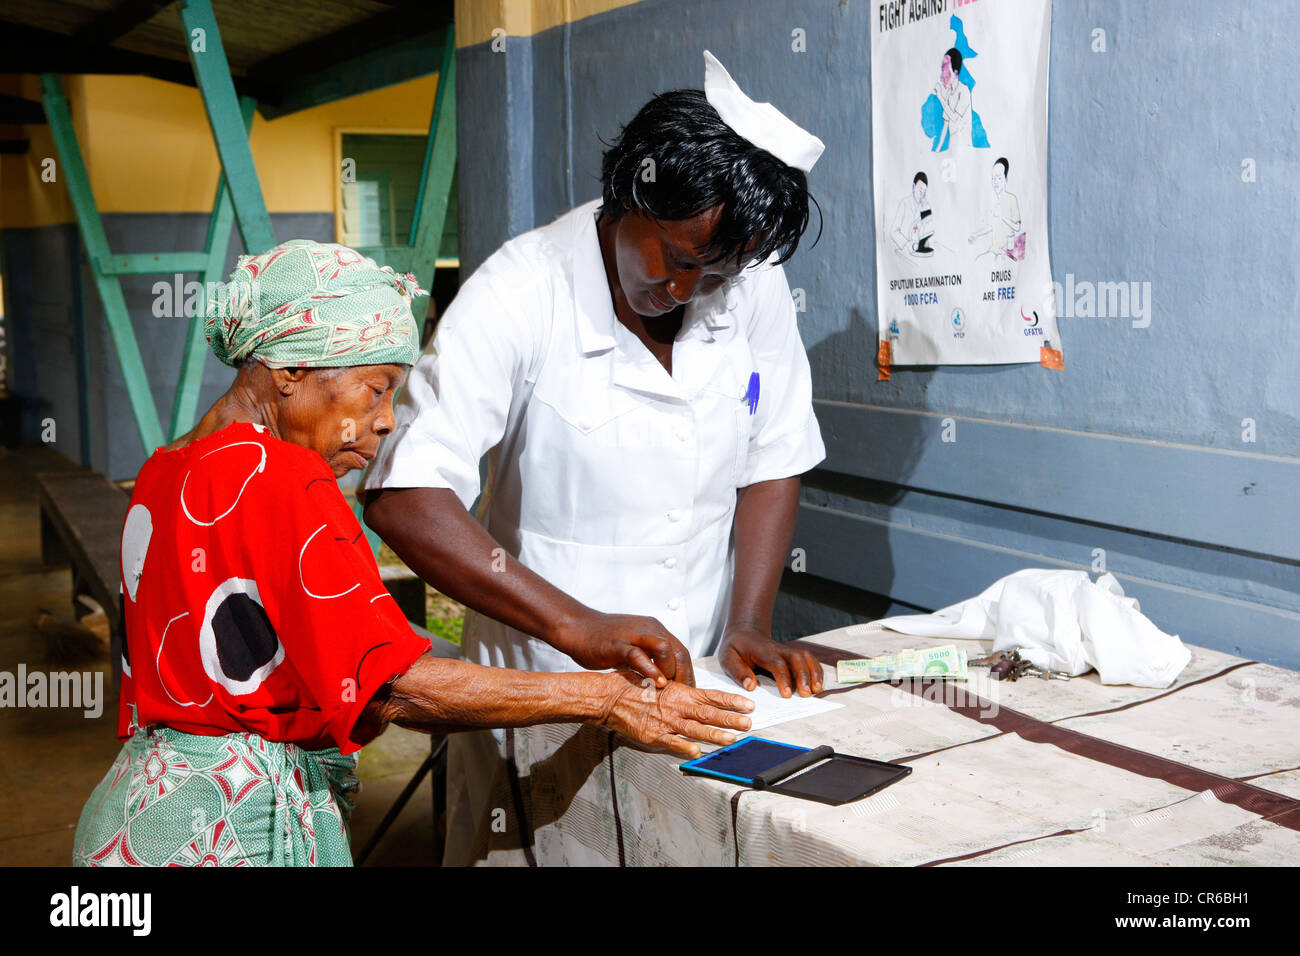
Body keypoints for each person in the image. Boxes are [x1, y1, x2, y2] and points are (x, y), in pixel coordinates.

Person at [72, 239, 753, 867]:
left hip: (139, 816)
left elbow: (264, 642)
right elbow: (394, 688)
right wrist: (605, 699)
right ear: (292, 369)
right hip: (233, 828)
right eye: (376, 385)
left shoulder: (165, 470)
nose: (388, 417)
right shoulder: (285, 475)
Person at [362, 50, 828, 865]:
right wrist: (574, 625)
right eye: (679, 260)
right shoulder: (521, 290)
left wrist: (749, 619)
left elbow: (775, 452)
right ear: (630, 195)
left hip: (694, 690)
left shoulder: (744, 290)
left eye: (719, 272)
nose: (691, 290)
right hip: (545, 684)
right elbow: (406, 493)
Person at [968, 157, 1023, 259]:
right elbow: (990, 226)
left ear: (1005, 180)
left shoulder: (1011, 199)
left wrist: (1003, 217)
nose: (995, 182)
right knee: (979, 261)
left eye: (999, 178)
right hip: (994, 249)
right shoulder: (994, 202)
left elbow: (1017, 227)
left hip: (1007, 250)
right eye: (993, 178)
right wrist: (975, 234)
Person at [891, 171, 936, 257]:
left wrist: (925, 243)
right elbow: (893, 231)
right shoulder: (904, 204)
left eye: (924, 190)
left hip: (919, 252)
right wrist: (906, 244)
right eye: (920, 189)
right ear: (913, 186)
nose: (922, 192)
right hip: (904, 250)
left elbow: (928, 229)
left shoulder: (926, 205)